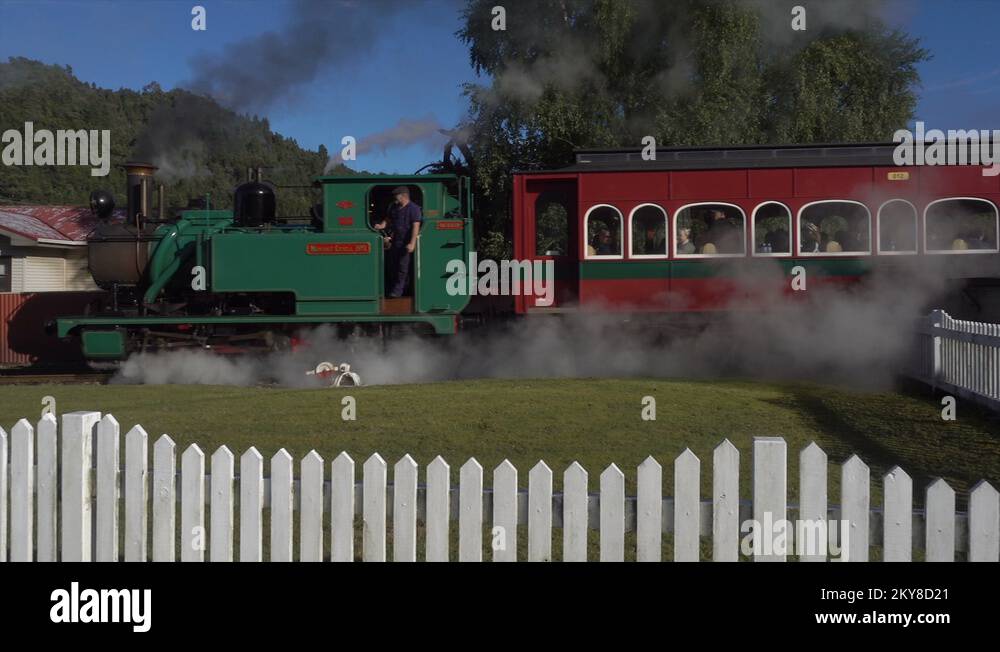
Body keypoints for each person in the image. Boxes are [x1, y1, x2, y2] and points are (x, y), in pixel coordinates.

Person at [375, 186, 422, 298]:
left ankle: (398, 292)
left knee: (403, 268)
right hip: (396, 241)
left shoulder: (414, 209)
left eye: (396, 196)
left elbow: (416, 226)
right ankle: (396, 289)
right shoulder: (394, 207)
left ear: (403, 196)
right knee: (392, 266)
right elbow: (388, 219)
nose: (394, 198)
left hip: (406, 242)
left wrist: (412, 243)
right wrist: (382, 225)